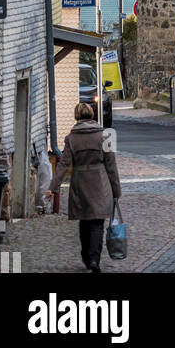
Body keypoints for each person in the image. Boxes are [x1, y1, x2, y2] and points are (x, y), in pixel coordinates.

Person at [45, 101, 122, 272]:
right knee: (97, 223)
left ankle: (86, 256)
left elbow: (63, 165)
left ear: (77, 116)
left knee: (84, 220)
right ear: (92, 115)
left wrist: (53, 187)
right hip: (100, 182)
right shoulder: (105, 135)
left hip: (80, 182)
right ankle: (94, 259)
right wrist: (116, 190)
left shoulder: (72, 138)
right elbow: (111, 166)